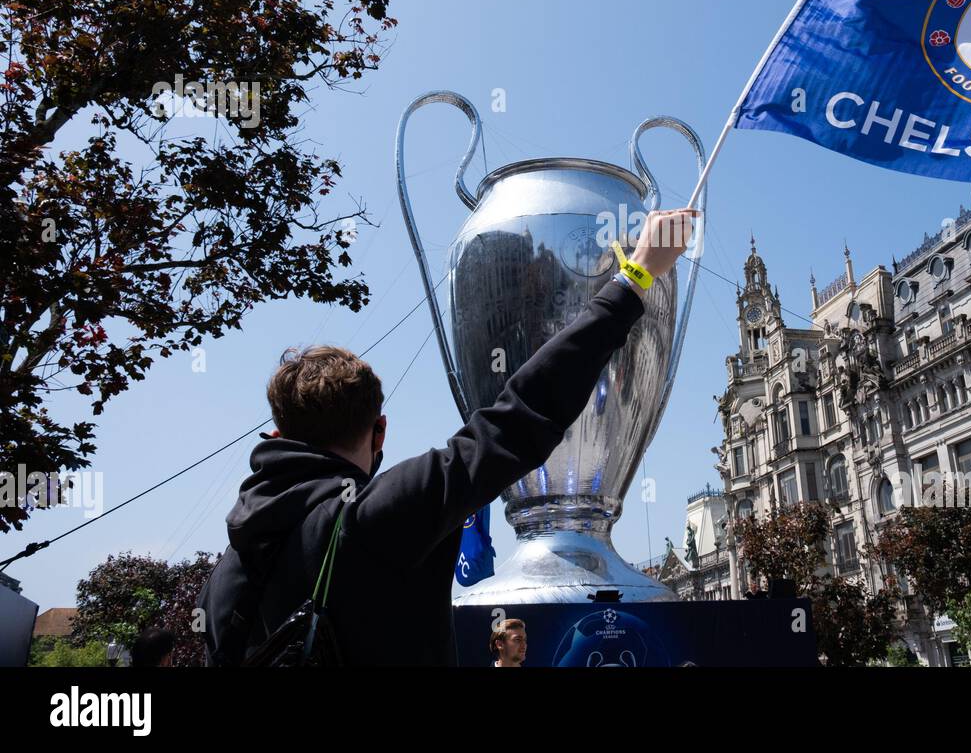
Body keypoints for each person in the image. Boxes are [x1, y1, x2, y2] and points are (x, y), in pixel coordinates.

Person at [197, 208, 699, 665]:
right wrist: (634, 277)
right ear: (380, 432)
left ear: (277, 434)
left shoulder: (225, 575)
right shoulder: (379, 514)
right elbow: (523, 413)